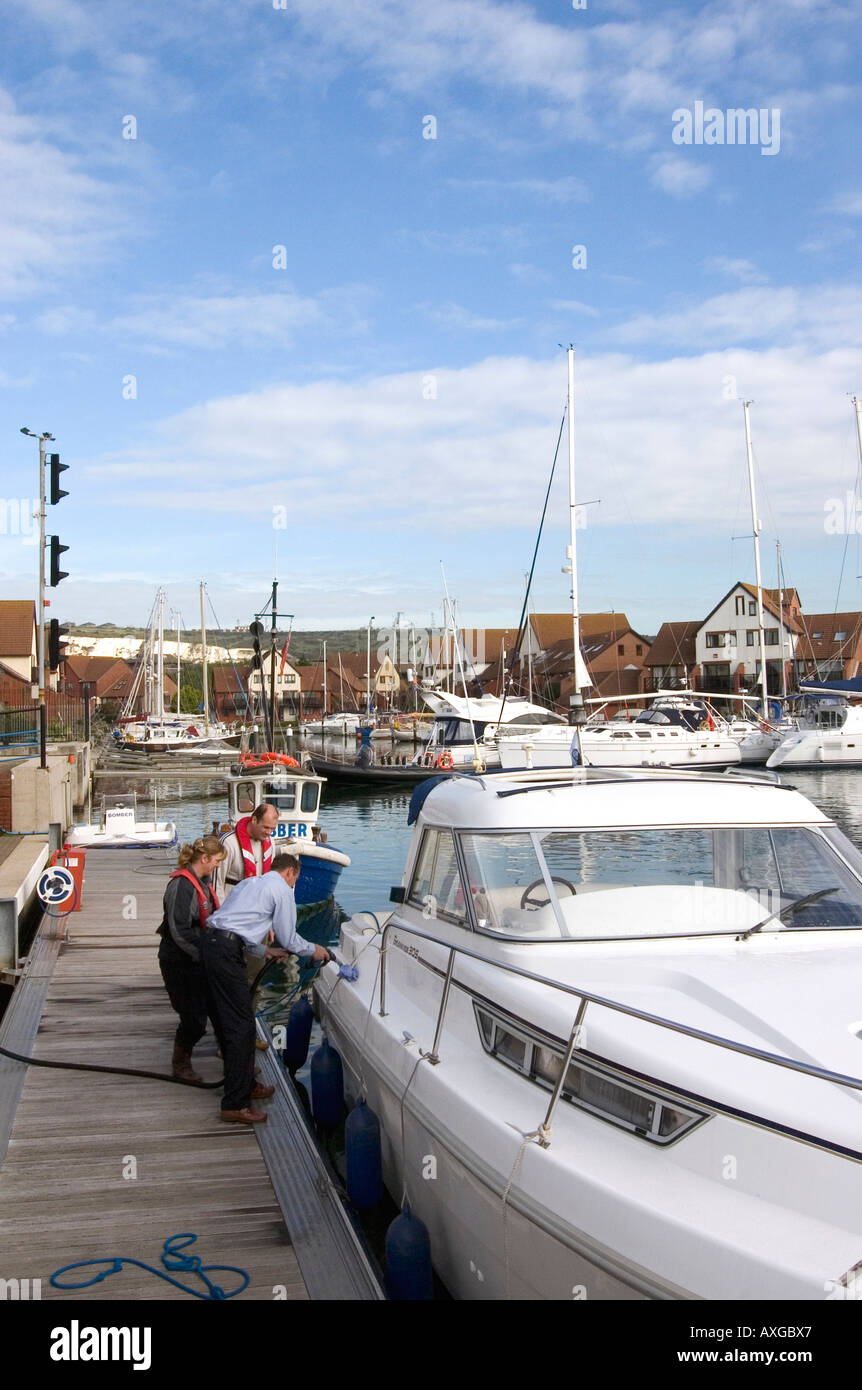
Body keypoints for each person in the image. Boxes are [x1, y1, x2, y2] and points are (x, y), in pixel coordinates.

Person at [201, 853, 331, 1124]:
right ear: (291, 873)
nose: (294, 884)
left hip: (211, 946)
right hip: (227, 953)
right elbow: (289, 938)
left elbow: (232, 923)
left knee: (231, 1023)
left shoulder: (250, 883)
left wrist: (263, 950)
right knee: (242, 1027)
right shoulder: (281, 890)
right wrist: (315, 950)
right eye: (295, 879)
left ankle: (245, 1083)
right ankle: (235, 1103)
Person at [157, 836, 227, 1084]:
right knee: (193, 1017)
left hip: (199, 959)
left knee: (219, 1010)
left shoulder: (203, 883)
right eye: (217, 861)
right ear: (205, 858)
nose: (218, 866)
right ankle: (181, 1063)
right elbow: (179, 931)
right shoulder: (182, 886)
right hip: (179, 962)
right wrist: (205, 956)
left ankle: (234, 1062)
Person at [213, 802, 279, 899]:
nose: (269, 833)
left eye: (272, 829)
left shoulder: (270, 842)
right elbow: (216, 884)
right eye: (265, 827)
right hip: (232, 908)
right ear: (254, 820)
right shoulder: (228, 843)